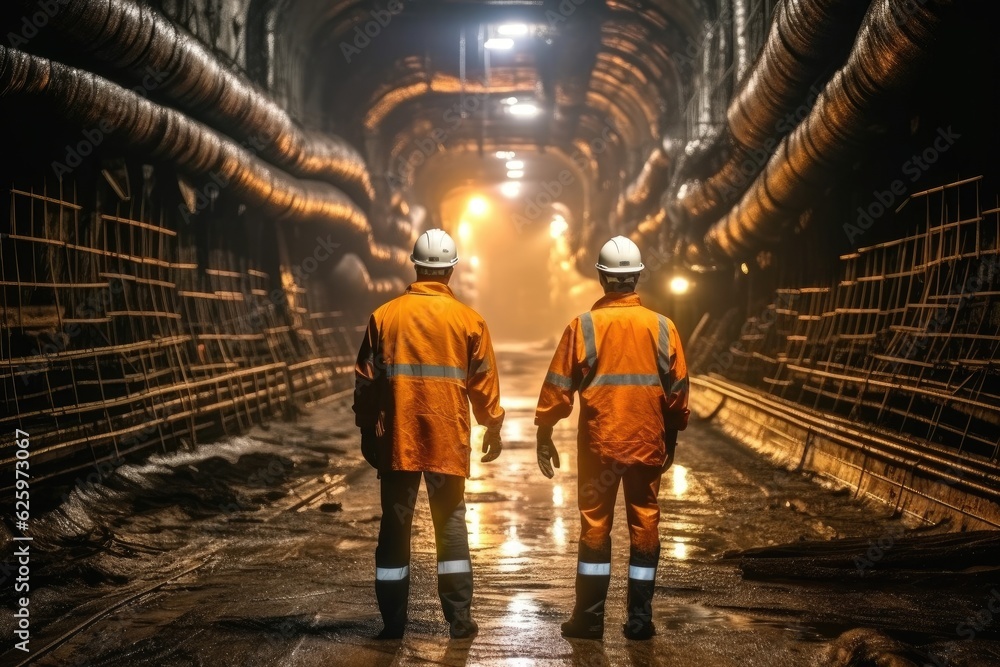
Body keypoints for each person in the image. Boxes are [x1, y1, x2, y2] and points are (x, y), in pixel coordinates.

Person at [534, 235, 689, 641]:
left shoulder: (583, 325)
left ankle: (589, 619)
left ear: (602, 278)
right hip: (646, 442)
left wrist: (545, 431)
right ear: (637, 276)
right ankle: (639, 621)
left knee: (595, 526)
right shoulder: (662, 326)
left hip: (600, 445)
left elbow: (558, 386)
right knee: (645, 522)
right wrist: (670, 437)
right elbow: (678, 392)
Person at [353, 228, 505, 640]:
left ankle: (392, 623)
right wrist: (492, 423)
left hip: (398, 441)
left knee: (395, 527)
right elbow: (484, 381)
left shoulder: (384, 316)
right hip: (446, 441)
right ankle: (459, 620)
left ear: (416, 267)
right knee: (451, 523)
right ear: (451, 270)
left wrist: (367, 429)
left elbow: (366, 381)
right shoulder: (469, 321)